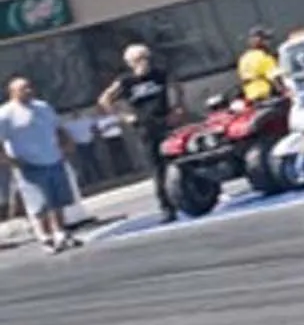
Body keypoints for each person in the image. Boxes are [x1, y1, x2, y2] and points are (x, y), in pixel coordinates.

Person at [98, 44, 183, 223]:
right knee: (157, 168)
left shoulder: (160, 74)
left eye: (145, 58)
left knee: (180, 160)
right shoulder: (126, 81)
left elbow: (177, 87)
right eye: (138, 60)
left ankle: (190, 195)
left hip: (165, 122)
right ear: (130, 63)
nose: (143, 62)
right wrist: (124, 116)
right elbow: (105, 99)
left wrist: (177, 108)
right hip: (145, 127)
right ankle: (166, 207)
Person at [1, 77, 79, 252]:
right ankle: (45, 237)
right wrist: (10, 160)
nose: (28, 91)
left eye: (29, 87)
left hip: (53, 158)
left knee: (57, 199)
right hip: (29, 165)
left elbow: (57, 127)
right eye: (23, 89)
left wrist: (67, 142)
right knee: (39, 203)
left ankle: (60, 232)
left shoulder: (42, 107)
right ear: (12, 93)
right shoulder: (6, 114)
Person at [238, 28, 284, 103]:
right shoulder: (264, 57)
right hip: (268, 97)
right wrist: (283, 92)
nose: (269, 43)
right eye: (266, 39)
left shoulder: (243, 58)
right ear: (260, 41)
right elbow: (276, 79)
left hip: (252, 99)